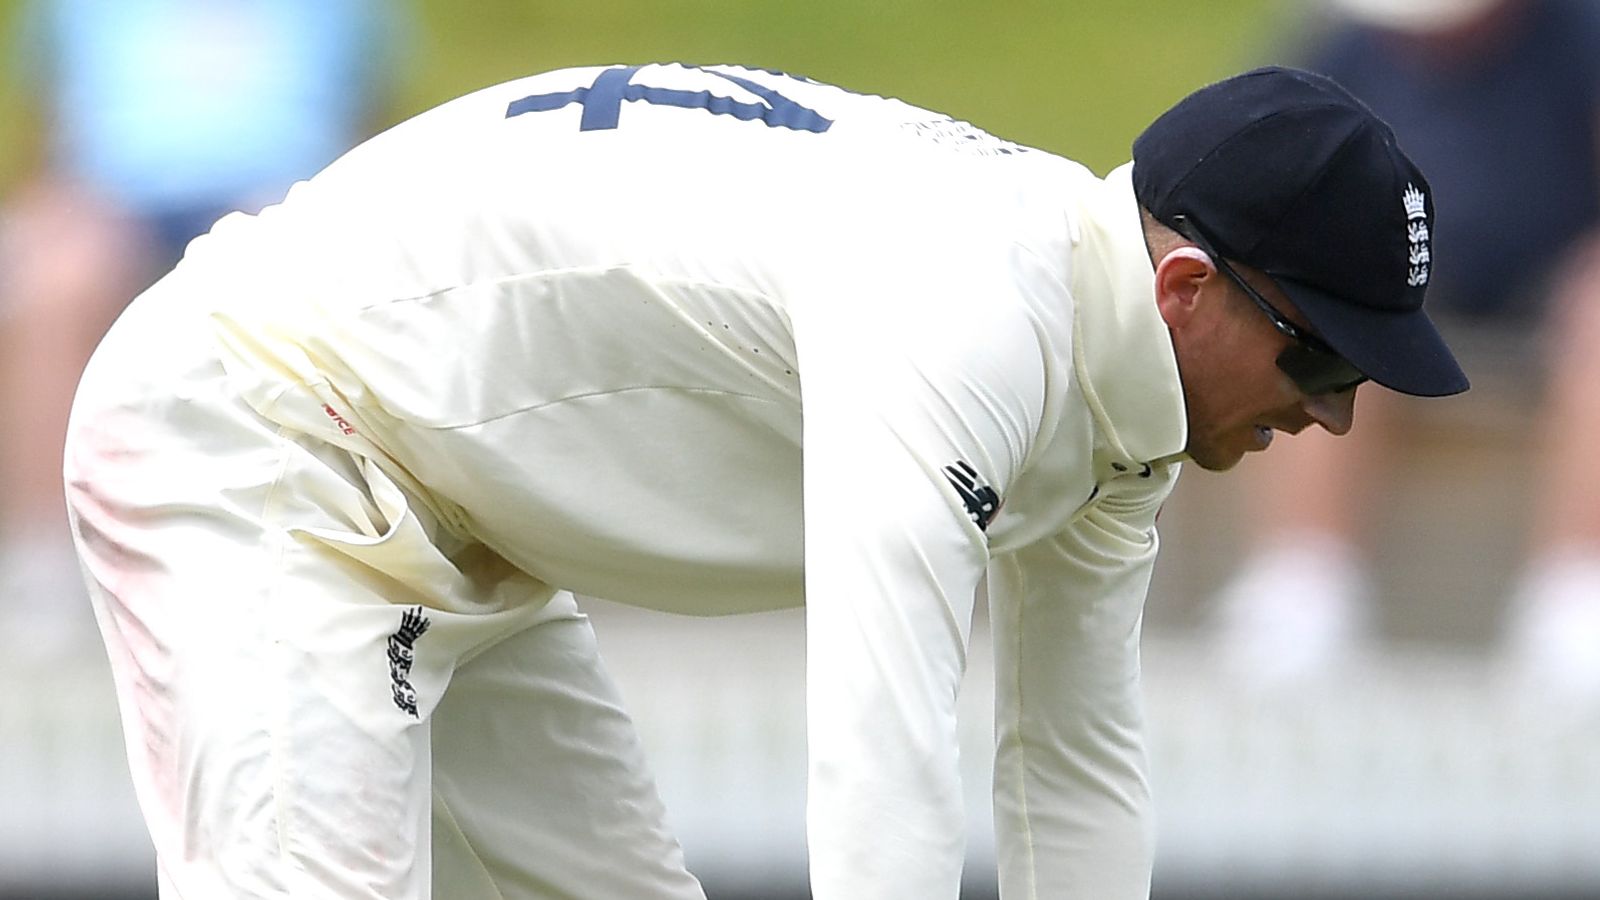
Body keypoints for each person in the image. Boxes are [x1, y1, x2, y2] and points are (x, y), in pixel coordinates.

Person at [62, 63, 1466, 899]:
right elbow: (882, 742)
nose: (1335, 418)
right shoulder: (974, 309)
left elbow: (1074, 765)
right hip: (265, 432)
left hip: (452, 498)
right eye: (1321, 361)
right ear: (1186, 286)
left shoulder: (1109, 389)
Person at [1210, 0, 1600, 694]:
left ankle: (1577, 596)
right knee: (1326, 269)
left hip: (1566, 278)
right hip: (1413, 272)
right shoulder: (1340, 45)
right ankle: (1305, 583)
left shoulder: (1581, 36)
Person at [0, 0, 404, 657]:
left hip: (274, 191)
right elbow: (50, 125)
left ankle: (326, 548)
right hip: (114, 198)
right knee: (53, 283)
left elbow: (370, 120)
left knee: (300, 261)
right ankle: (44, 561)